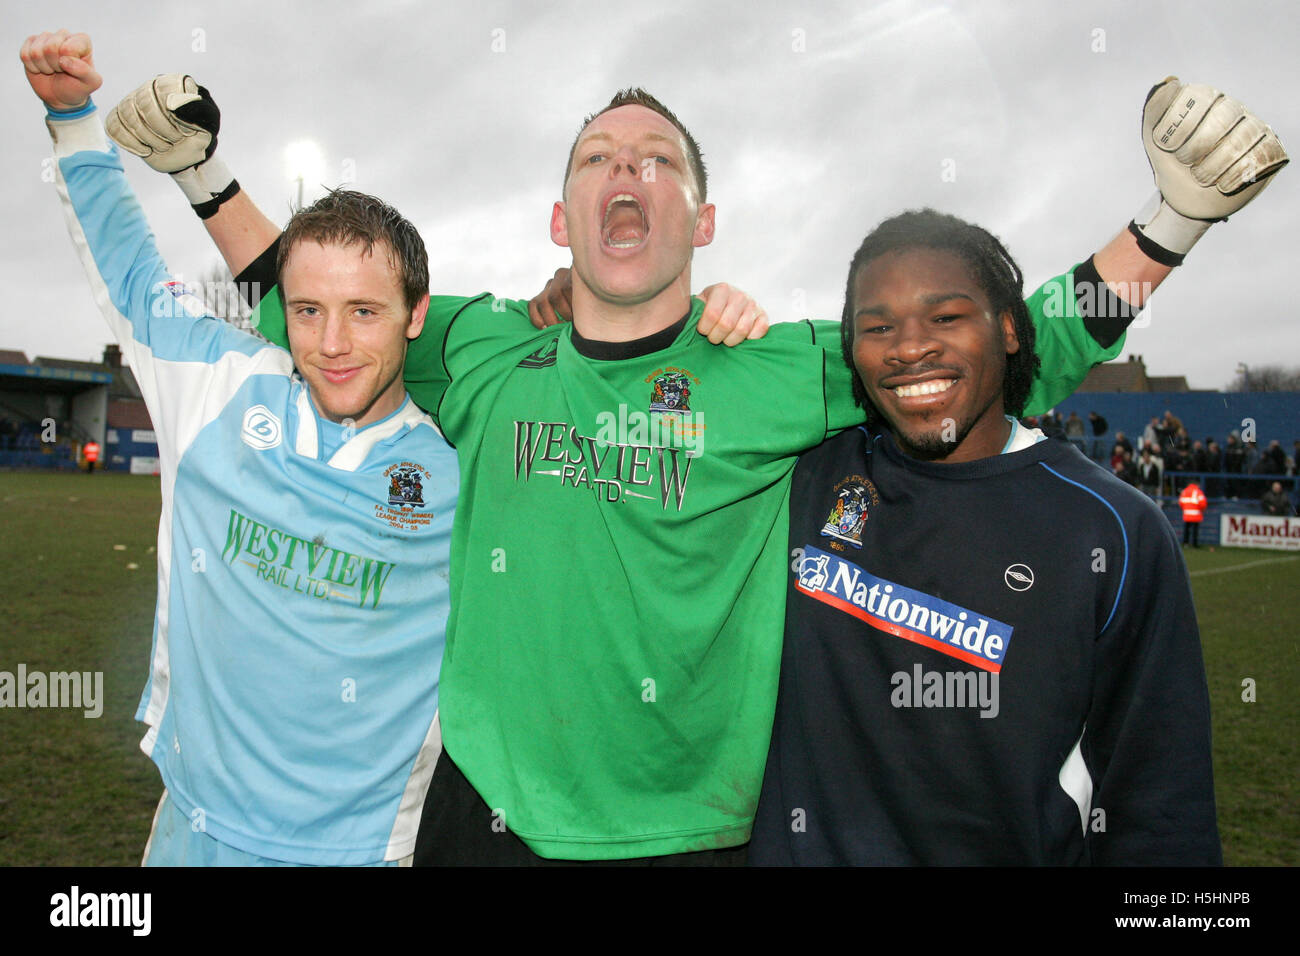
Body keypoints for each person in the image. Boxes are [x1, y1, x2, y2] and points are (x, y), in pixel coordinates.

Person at [106, 64, 1282, 863]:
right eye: (597, 157)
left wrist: (1166, 226)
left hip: (691, 840)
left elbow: (997, 337)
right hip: (478, 819)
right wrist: (209, 178)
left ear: (702, 220)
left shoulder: (773, 367)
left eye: (659, 157)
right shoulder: (471, 341)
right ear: (561, 220)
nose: (628, 170)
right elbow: (317, 292)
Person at [22, 31, 461, 866]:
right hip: (192, 829)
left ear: (414, 314)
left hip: (359, 852)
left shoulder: (457, 472)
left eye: (364, 311)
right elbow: (131, 279)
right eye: (306, 311)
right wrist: (74, 121)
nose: (331, 343)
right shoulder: (220, 386)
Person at [750, 210, 1220, 864]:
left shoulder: (1113, 530)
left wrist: (1167, 228)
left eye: (945, 318)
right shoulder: (802, 477)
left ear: (1007, 329)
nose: (910, 347)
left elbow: (1161, 808)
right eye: (878, 327)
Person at [1179, 480, 1208, 547]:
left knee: (1187, 530)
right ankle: (1194, 544)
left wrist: (1185, 508)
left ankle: (1185, 543)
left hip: (1186, 514)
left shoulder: (1185, 491)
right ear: (1197, 485)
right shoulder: (1198, 492)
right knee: (1195, 530)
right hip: (1196, 514)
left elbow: (1181, 502)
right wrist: (1201, 510)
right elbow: (1203, 503)